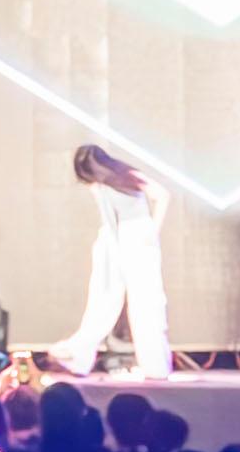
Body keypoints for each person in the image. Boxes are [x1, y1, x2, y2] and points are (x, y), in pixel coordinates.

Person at [59, 139, 171, 377]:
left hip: (127, 238)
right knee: (128, 302)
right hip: (127, 238)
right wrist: (151, 231)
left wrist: (150, 231)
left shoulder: (112, 182)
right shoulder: (114, 180)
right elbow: (161, 196)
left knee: (128, 302)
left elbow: (160, 196)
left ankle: (82, 357)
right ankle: (154, 366)